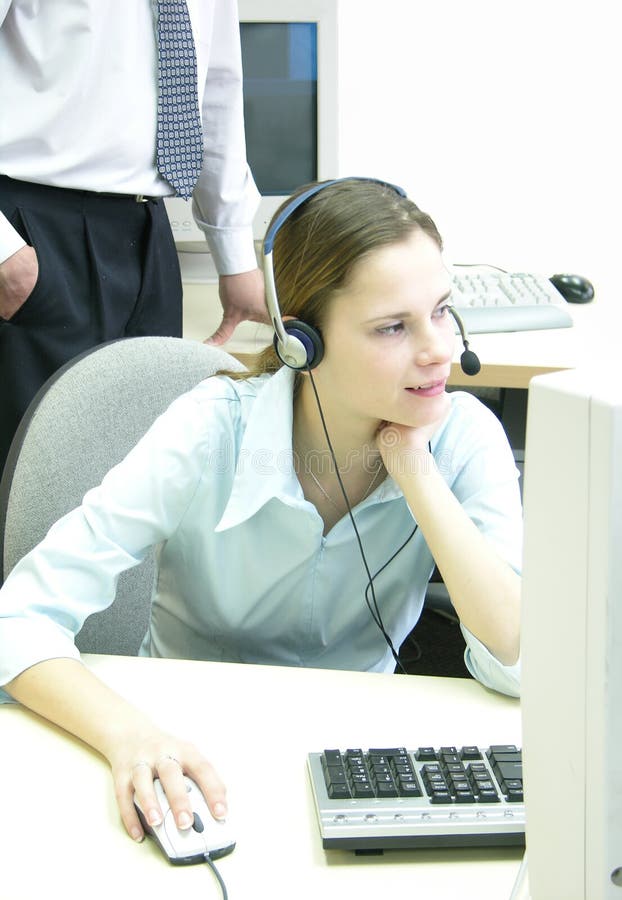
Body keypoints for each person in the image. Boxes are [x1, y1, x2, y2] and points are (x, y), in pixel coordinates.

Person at [0, 178, 522, 844]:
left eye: (442, 311)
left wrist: (414, 471)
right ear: (301, 340)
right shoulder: (210, 431)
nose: (440, 350)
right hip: (184, 749)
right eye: (393, 326)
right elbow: (19, 619)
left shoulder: (461, 436)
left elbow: (512, 659)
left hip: (357, 759)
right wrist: (128, 736)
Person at [0, 0, 267, 479]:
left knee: (136, 475)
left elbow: (217, 89)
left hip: (147, 229)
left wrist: (235, 255)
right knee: (32, 481)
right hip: (32, 228)